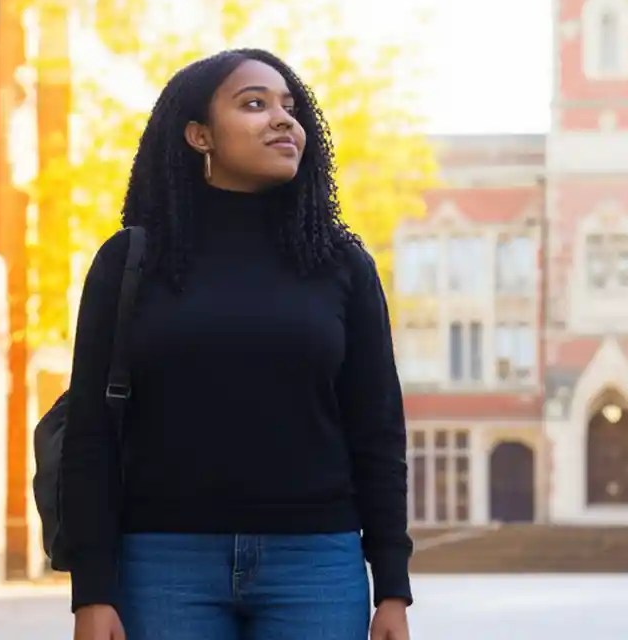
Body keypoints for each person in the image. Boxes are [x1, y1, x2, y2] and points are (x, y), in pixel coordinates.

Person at [60, 48, 413, 640]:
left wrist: (393, 589)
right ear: (200, 135)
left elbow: (377, 430)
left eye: (289, 107)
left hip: (316, 565)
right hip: (163, 564)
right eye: (254, 104)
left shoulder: (343, 265)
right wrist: (92, 593)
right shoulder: (131, 261)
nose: (283, 119)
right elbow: (91, 435)